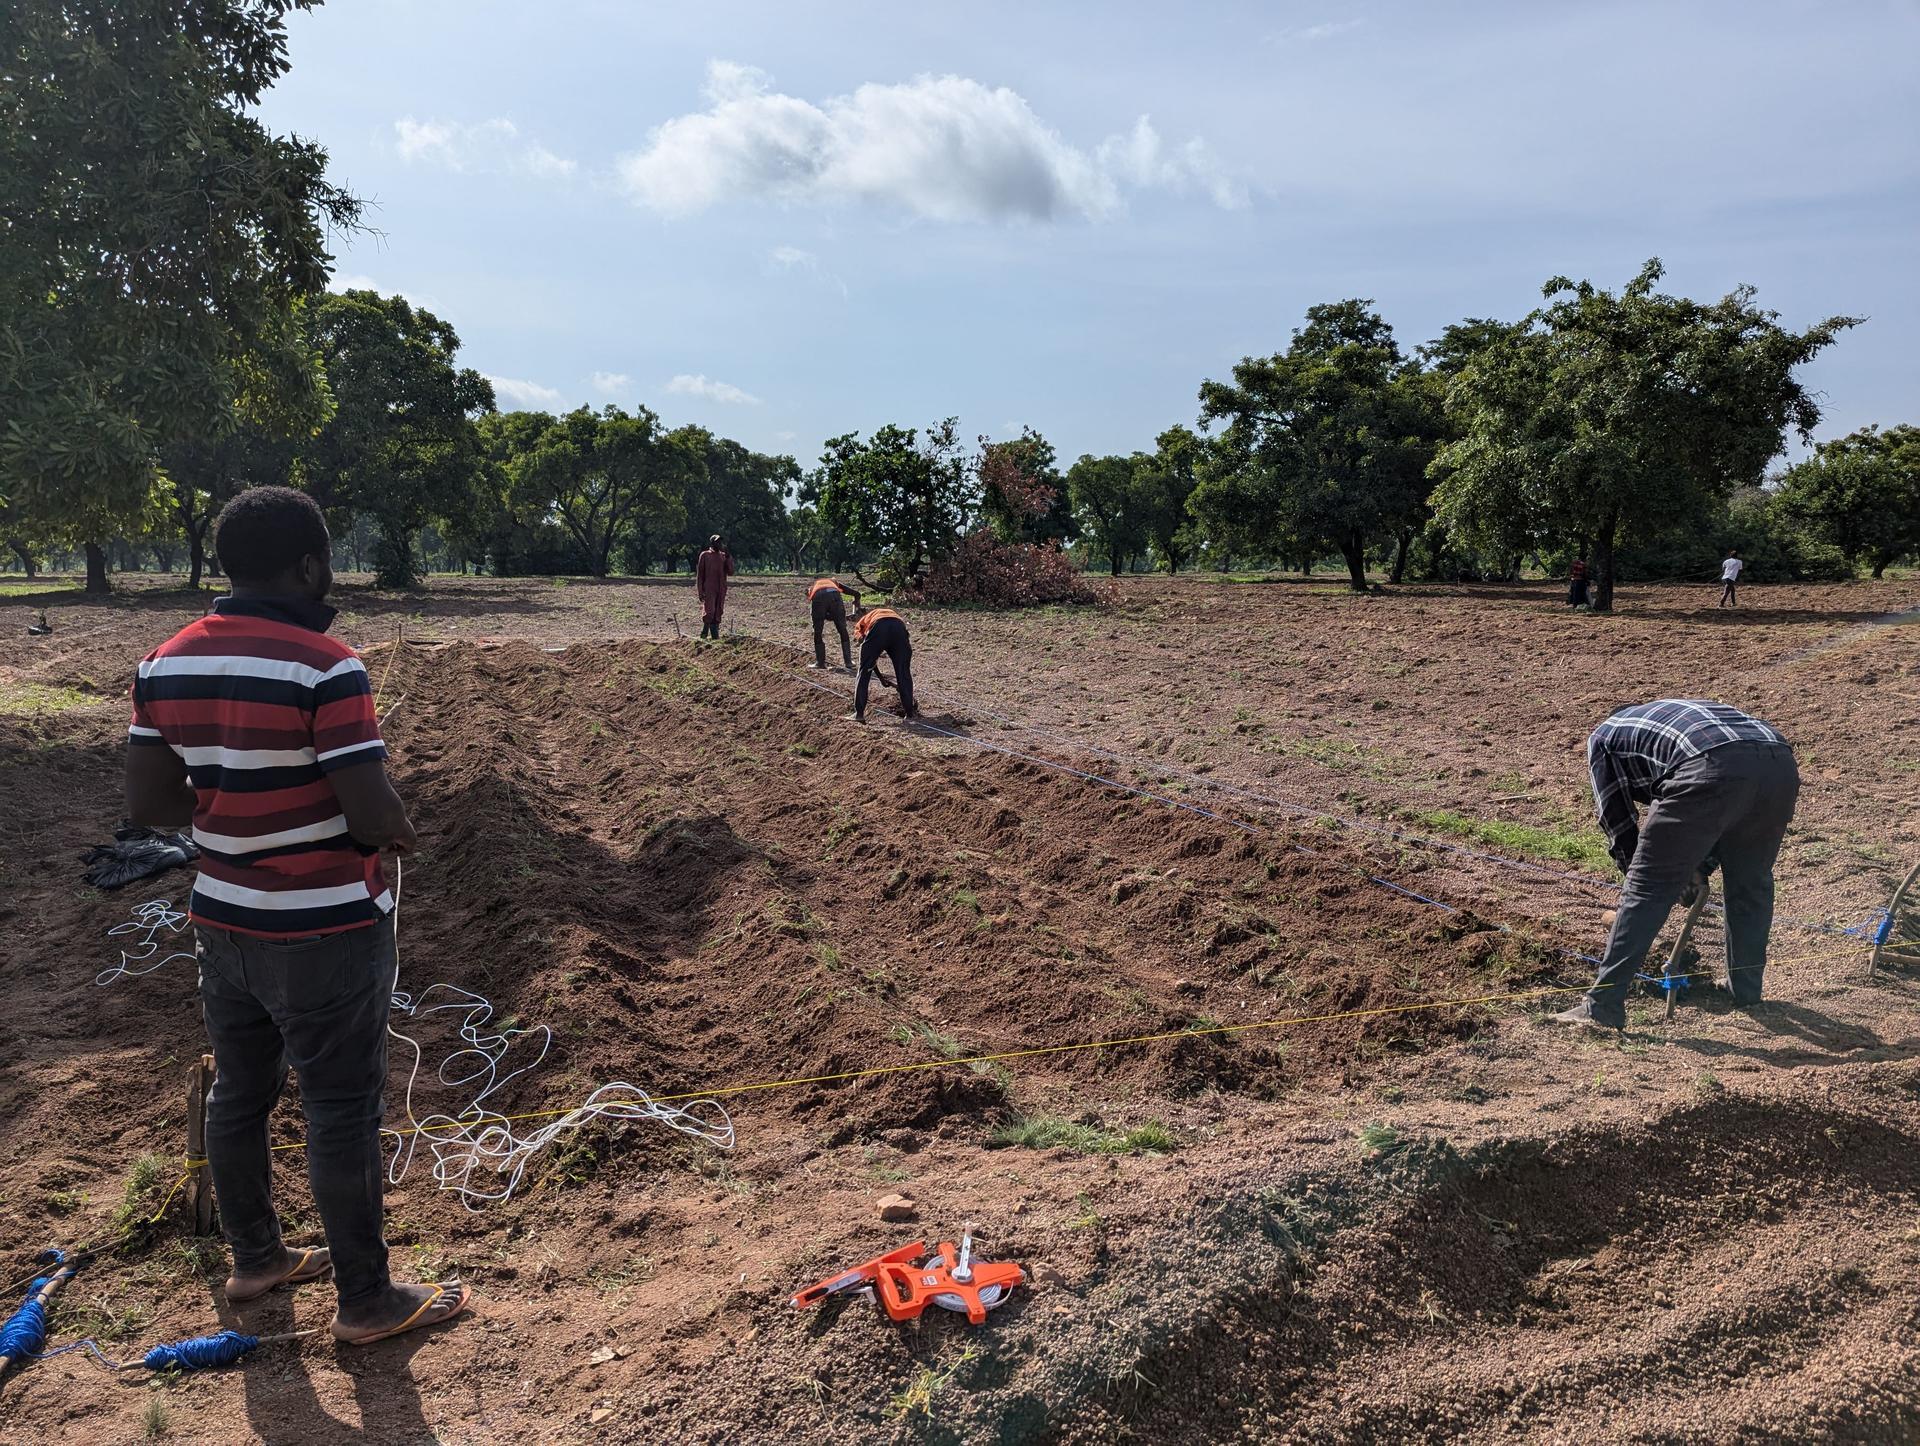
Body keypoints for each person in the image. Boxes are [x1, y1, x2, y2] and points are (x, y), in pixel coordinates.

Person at [123, 486, 469, 1346]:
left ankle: (258, 1260)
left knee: (242, 1090)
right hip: (325, 926)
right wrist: (400, 832)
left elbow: (153, 803)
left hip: (224, 919)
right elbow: (369, 810)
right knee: (341, 1106)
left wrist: (233, 797)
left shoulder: (163, 662)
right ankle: (366, 1301)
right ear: (311, 565)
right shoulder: (328, 666)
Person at [1554, 699, 1799, 1031]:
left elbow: (1617, 820)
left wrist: (1644, 876)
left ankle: (1602, 1007)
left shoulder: (1604, 736)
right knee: (1750, 881)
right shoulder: (1672, 720)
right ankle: (1746, 992)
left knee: (1646, 886)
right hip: (1778, 763)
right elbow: (1721, 814)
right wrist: (1695, 866)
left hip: (1711, 763)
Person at [851, 603, 917, 723]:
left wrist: (868, 663)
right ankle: (910, 714)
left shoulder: (860, 625)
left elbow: (868, 661)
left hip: (878, 627)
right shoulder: (888, 614)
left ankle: (859, 714)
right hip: (898, 628)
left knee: (863, 672)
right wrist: (881, 678)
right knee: (903, 672)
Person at [807, 575, 860, 671]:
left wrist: (825, 616)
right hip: (835, 596)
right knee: (842, 629)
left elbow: (820, 613)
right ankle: (848, 662)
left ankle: (820, 663)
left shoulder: (813, 588)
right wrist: (857, 601)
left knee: (817, 631)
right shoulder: (833, 582)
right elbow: (856, 593)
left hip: (818, 597)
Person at [694, 534, 734, 639]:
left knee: (718, 611)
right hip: (709, 588)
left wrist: (729, 557)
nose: (719, 544)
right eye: (717, 542)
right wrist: (700, 590)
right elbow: (700, 575)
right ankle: (705, 634)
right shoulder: (705, 555)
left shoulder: (723, 556)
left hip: (721, 588)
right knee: (709, 611)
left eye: (720, 542)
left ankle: (714, 636)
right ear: (712, 543)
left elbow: (730, 572)